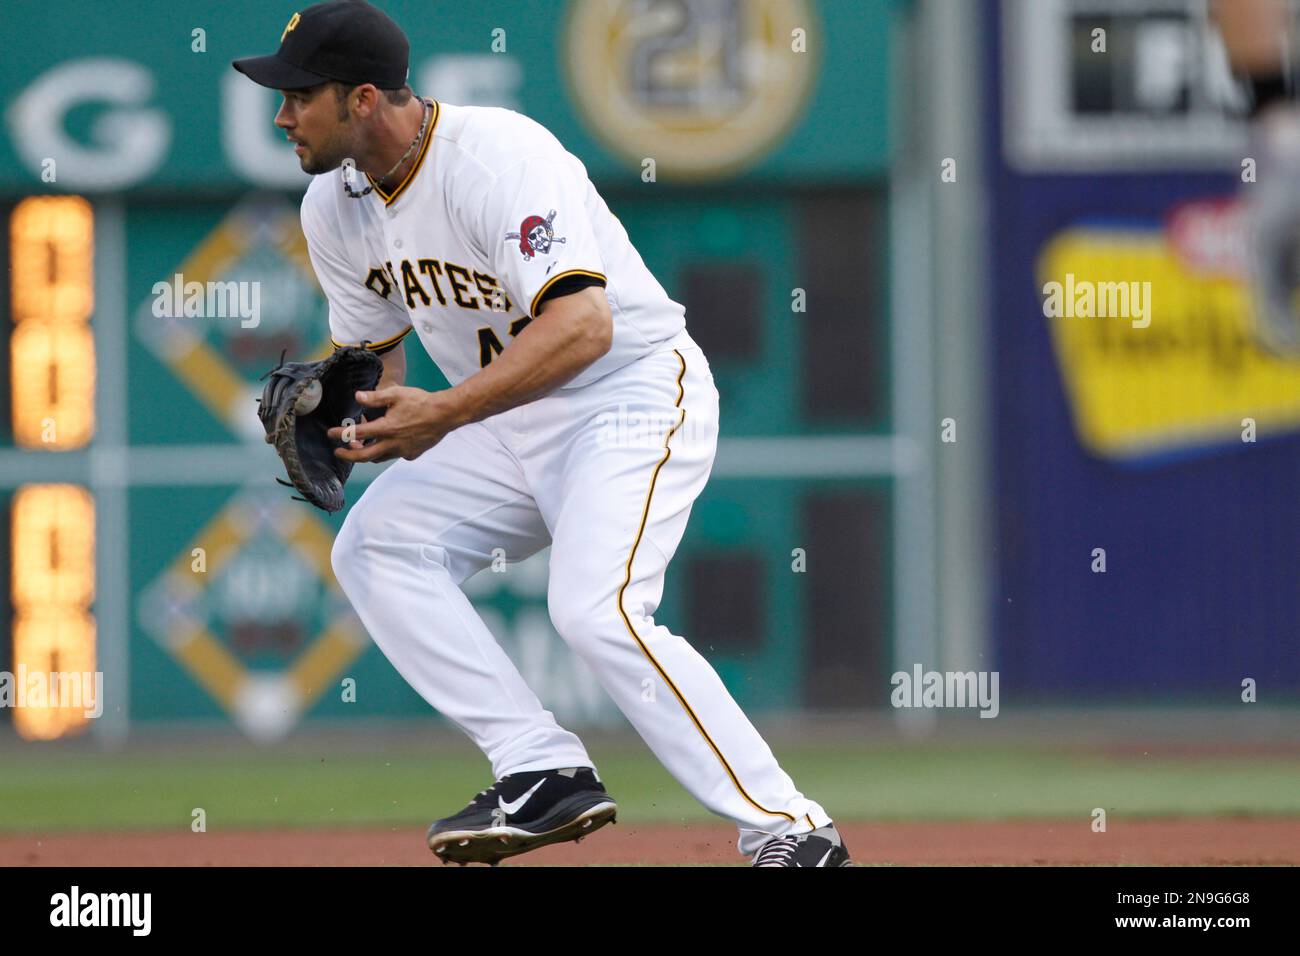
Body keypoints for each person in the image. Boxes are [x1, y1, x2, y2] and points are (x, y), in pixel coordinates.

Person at [232, 0, 850, 867]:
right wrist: (351, 420)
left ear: (363, 97)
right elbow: (380, 369)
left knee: (596, 611)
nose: (281, 112)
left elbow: (585, 326)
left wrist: (444, 414)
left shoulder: (496, 158)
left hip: (626, 395)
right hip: (507, 418)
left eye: (299, 94)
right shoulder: (332, 210)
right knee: (376, 545)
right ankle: (541, 768)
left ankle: (791, 827)